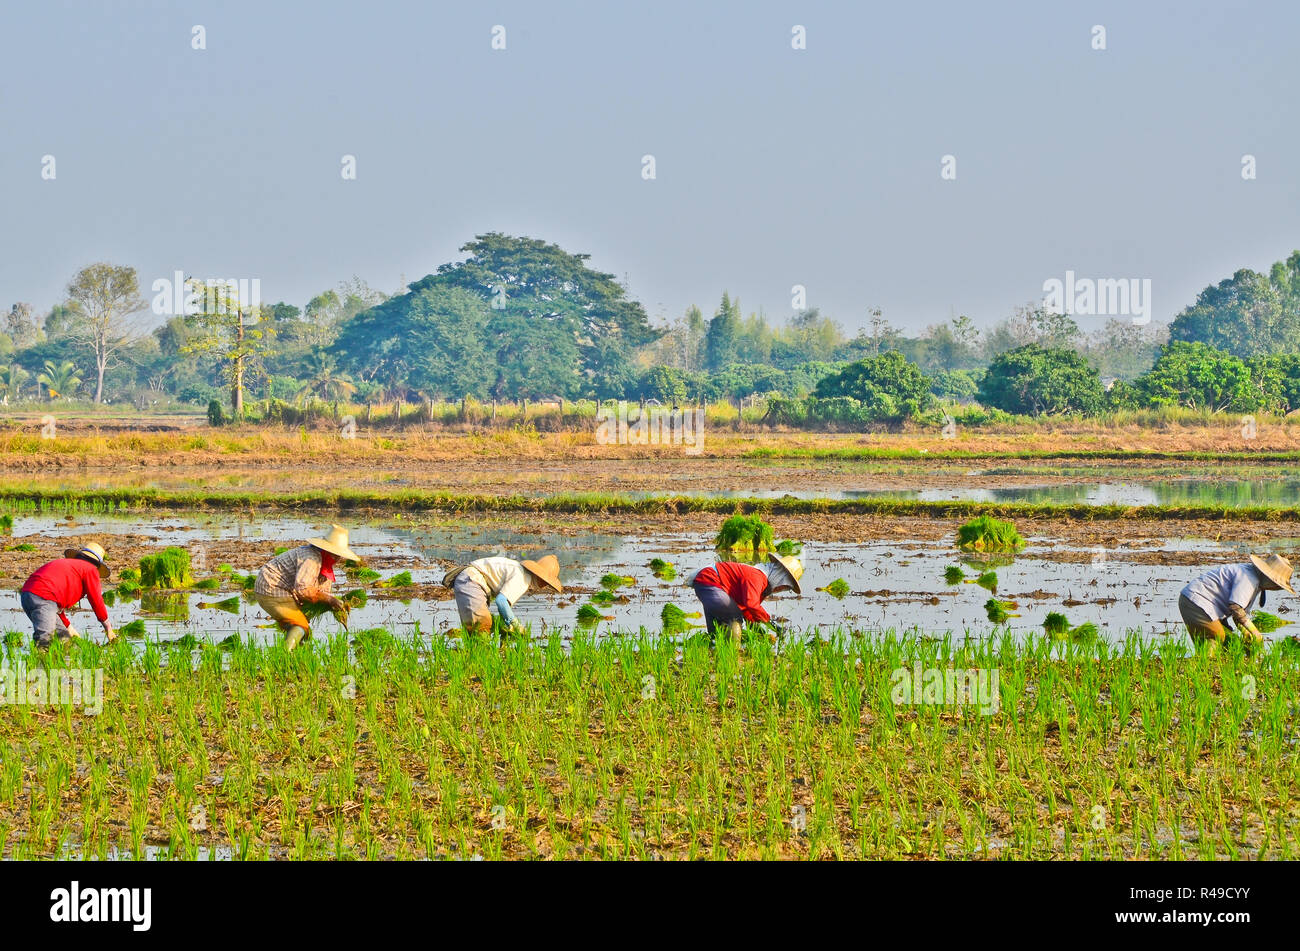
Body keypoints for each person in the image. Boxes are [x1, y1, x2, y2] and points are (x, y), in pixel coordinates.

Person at [255, 524, 360, 650]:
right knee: (300, 625)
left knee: (303, 630)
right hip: (271, 586)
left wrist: (336, 605)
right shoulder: (312, 558)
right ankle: (285, 656)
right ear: (326, 550)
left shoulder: (325, 565)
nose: (337, 558)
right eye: (334, 554)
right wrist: (330, 600)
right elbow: (303, 590)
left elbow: (322, 592)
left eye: (339, 555)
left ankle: (297, 654)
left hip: (283, 590)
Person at [1178, 553, 1294, 647]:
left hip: (1203, 604)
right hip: (1196, 601)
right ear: (1269, 579)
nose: (1274, 588)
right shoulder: (1249, 578)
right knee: (1217, 635)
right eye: (1275, 585)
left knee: (1230, 643)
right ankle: (1207, 666)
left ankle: (1209, 664)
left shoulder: (1254, 579)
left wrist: (1245, 632)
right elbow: (1236, 607)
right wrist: (1255, 632)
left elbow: (1238, 614)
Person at [689, 552, 803, 641]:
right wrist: (771, 623)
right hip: (710, 580)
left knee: (716, 633)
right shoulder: (757, 576)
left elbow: (747, 610)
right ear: (779, 575)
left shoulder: (761, 584)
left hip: (709, 585)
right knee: (733, 618)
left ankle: (716, 657)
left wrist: (759, 632)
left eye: (786, 588)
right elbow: (751, 604)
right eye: (783, 585)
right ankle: (734, 657)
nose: (780, 589)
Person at [20, 542, 115, 648]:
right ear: (97, 565)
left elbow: (56, 605)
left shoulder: (68, 566)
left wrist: (70, 628)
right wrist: (108, 628)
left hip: (27, 595)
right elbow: (96, 599)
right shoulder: (90, 569)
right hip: (43, 597)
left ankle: (62, 662)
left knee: (64, 639)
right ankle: (39, 663)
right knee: (45, 641)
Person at [443, 554, 562, 634]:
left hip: (470, 580)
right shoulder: (523, 578)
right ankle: (476, 665)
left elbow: (503, 605)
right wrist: (515, 624)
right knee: (481, 627)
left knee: (479, 629)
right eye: (546, 582)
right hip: (471, 581)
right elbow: (501, 601)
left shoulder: (519, 570)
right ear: (540, 576)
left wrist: (506, 623)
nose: (545, 586)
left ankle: (474, 661)